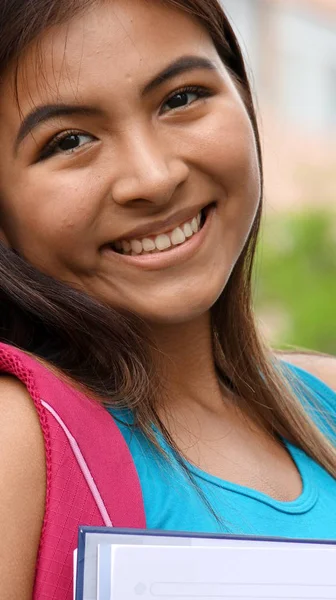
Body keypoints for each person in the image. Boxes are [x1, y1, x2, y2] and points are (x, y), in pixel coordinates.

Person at [0, 0, 335, 598]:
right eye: (69, 140)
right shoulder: (20, 440)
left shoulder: (329, 403)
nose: (153, 178)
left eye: (180, 98)